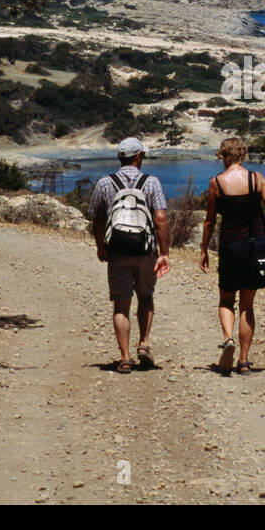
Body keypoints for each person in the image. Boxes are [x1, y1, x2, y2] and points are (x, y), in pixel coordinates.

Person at [198, 137, 265, 374]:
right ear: (243, 155)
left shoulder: (216, 183)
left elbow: (209, 220)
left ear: (222, 156)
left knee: (226, 300)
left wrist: (203, 249)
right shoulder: (256, 179)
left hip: (230, 247)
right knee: (247, 306)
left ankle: (228, 338)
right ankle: (244, 361)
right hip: (255, 246)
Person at [89, 138, 170, 374]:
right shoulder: (151, 182)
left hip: (117, 251)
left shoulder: (105, 182)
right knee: (145, 296)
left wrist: (101, 246)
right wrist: (164, 253)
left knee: (121, 305)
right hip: (146, 251)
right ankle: (143, 344)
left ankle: (124, 358)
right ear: (138, 157)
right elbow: (161, 220)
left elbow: (97, 217)